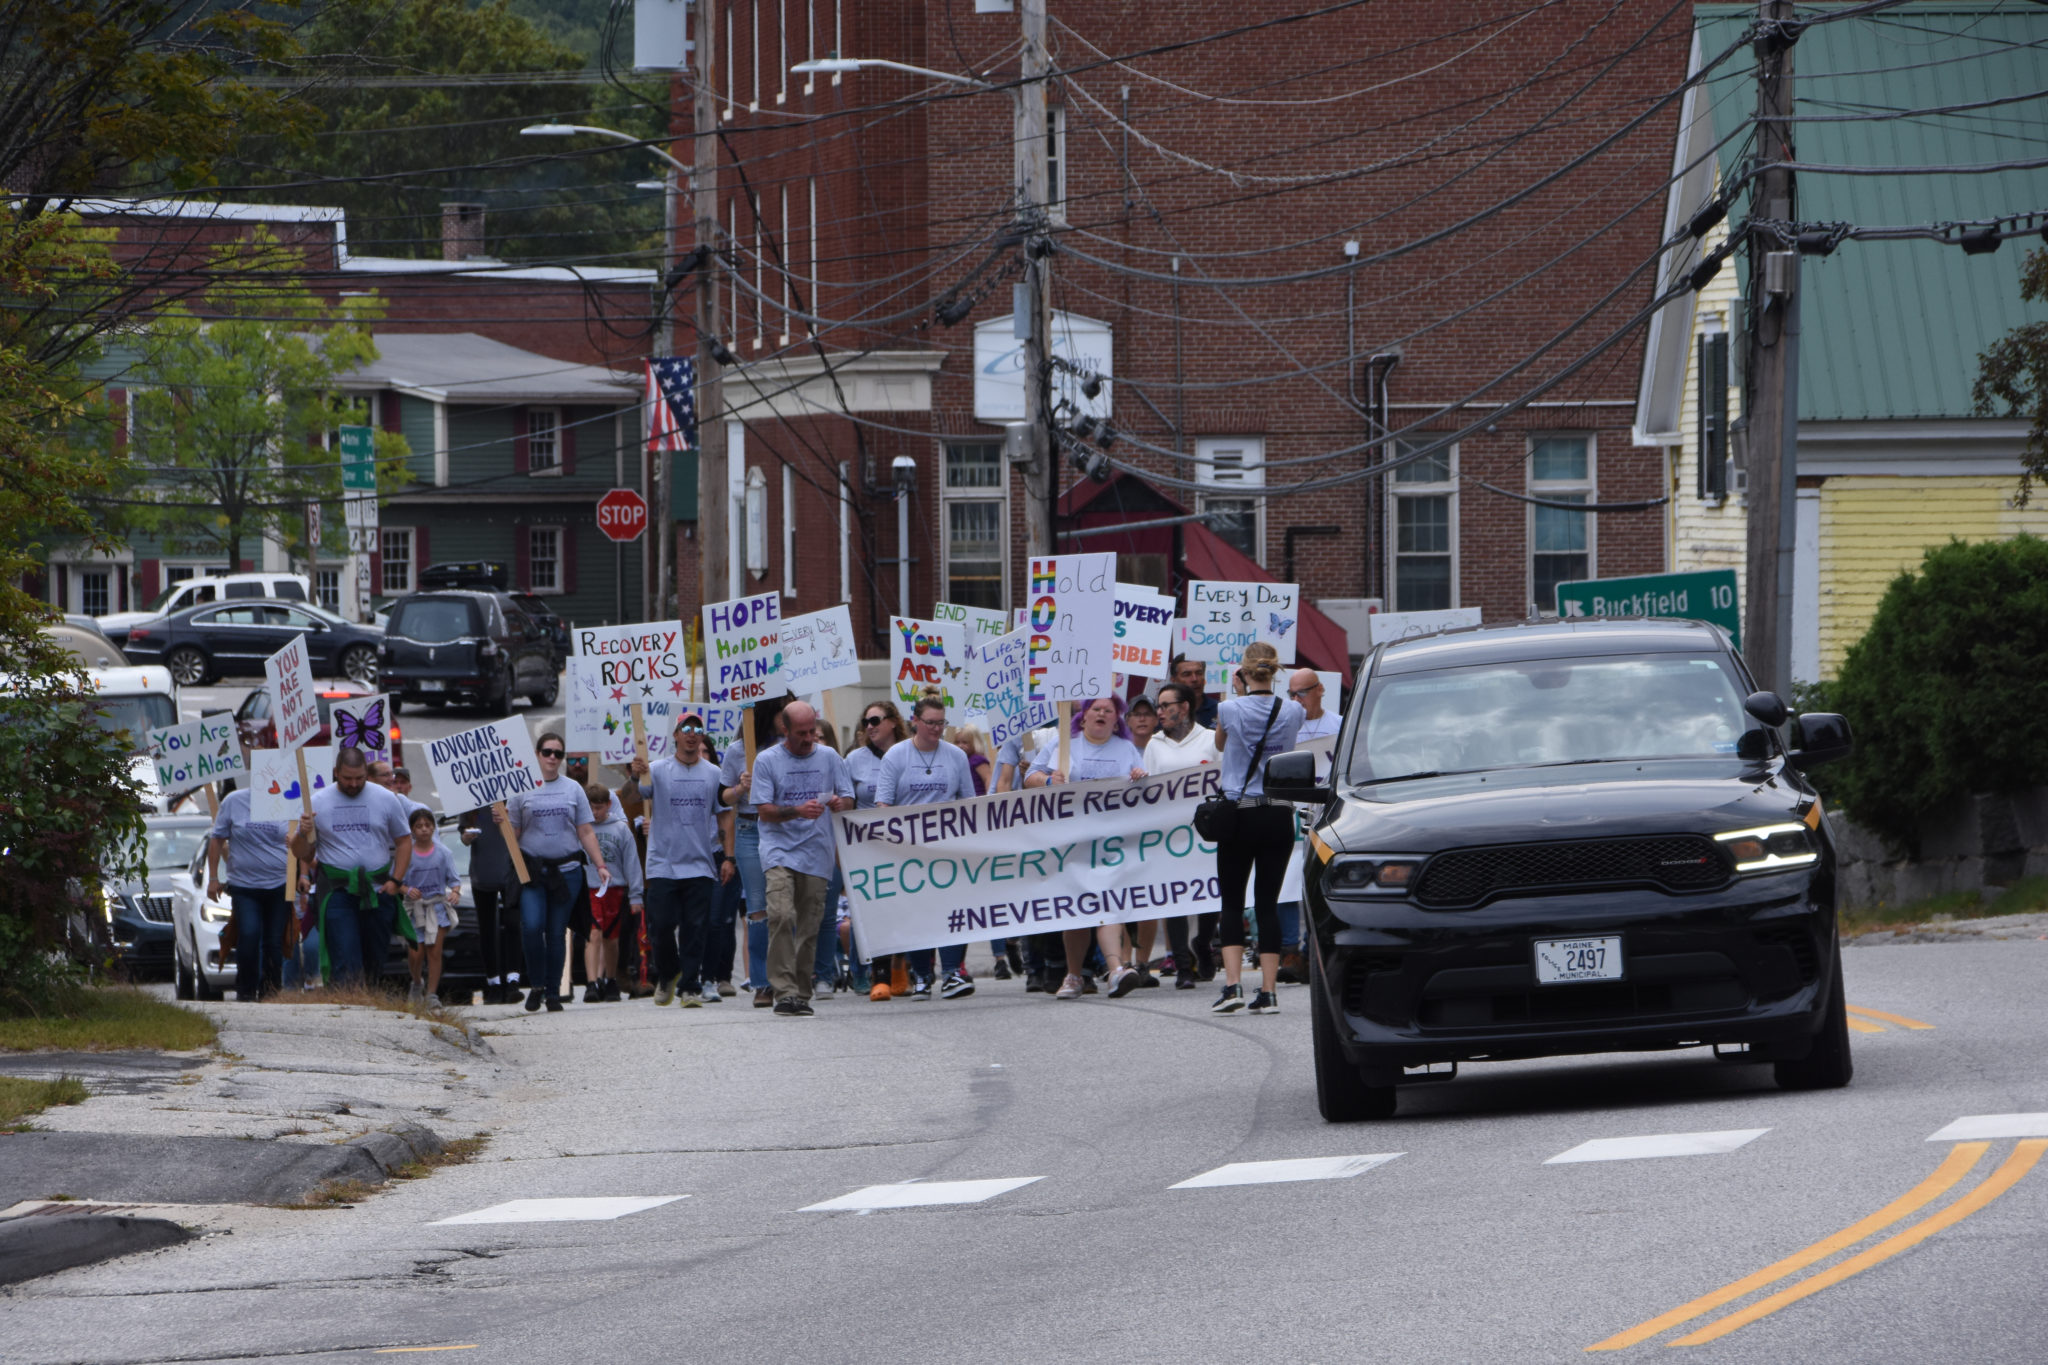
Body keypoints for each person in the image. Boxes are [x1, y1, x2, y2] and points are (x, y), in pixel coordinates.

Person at [1024, 696, 1148, 1000]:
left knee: (1106, 901)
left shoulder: (1125, 748)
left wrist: (1139, 778)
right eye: (1097, 709)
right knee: (1078, 908)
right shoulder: (1063, 744)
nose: (1103, 714)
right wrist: (1050, 781)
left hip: (1111, 841)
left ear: (1117, 719)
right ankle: (1075, 975)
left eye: (1110, 710)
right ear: (1083, 716)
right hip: (1071, 841)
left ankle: (1116, 969)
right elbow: (1029, 778)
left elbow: (1144, 785)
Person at [1208, 641, 1306, 1015]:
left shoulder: (1229, 708)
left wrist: (1237, 695)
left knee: (1232, 901)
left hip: (1240, 813)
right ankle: (1269, 991)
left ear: (1243, 673)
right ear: (1275, 672)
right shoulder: (1293, 710)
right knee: (1268, 903)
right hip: (1278, 813)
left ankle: (1232, 985)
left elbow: (1221, 743)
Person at [747, 700, 854, 1017]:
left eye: (812, 731)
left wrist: (839, 803)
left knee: (810, 925)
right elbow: (763, 811)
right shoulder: (767, 761)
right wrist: (797, 810)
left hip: (816, 852)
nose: (809, 738)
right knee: (780, 915)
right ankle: (784, 991)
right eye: (802, 733)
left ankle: (801, 993)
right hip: (779, 849)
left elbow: (848, 798)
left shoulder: (830, 757)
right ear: (785, 730)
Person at [877, 693, 979, 1000]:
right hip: (909, 849)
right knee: (915, 912)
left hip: (949, 847)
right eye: (931, 723)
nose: (937, 729)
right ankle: (921, 975)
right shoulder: (896, 756)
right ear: (915, 722)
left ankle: (951, 973)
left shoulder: (956, 756)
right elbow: (883, 804)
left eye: (941, 723)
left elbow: (968, 802)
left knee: (952, 908)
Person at [500, 731, 610, 1014]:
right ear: (537, 754)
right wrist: (501, 820)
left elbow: (585, 830)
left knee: (557, 930)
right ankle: (535, 985)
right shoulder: (520, 789)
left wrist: (600, 864)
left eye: (558, 754)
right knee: (532, 926)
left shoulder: (573, 788)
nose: (552, 758)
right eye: (547, 752)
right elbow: (513, 833)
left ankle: (552, 993)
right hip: (533, 872)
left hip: (567, 872)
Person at [632, 711, 735, 1007]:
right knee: (660, 926)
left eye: (697, 729)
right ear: (675, 735)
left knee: (695, 928)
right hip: (663, 862)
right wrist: (639, 771)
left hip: (700, 863)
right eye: (685, 728)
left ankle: (689, 986)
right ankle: (669, 973)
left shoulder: (714, 773)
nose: (692, 733)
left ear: (702, 736)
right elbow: (644, 789)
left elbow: (725, 815)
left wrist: (728, 857)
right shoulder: (658, 769)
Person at [290, 747, 413, 987]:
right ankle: (348, 1005)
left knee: (374, 955)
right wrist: (303, 833)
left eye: (360, 778)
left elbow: (404, 840)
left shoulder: (386, 799)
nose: (354, 784)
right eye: (347, 779)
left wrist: (396, 880)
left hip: (377, 889)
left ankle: (370, 1004)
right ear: (336, 773)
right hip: (338, 890)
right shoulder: (317, 802)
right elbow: (301, 852)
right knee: (345, 955)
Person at [1143, 681, 1221, 989]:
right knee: (1174, 898)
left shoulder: (1210, 739)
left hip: (1205, 834)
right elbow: (1147, 790)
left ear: (1184, 707)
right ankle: (1183, 966)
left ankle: (1202, 942)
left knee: (1209, 895)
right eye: (1158, 706)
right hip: (1170, 836)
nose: (1159, 712)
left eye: (1165, 706)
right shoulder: (1154, 744)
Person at [721, 697, 789, 1007]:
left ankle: (788, 976)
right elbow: (722, 797)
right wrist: (739, 788)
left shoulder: (789, 748)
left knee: (785, 906)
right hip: (750, 830)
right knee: (758, 909)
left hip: (784, 829)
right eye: (782, 712)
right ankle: (762, 983)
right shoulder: (738, 750)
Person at [206, 783, 291, 1001]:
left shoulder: (290, 798)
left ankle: (271, 991)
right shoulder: (234, 801)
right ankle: (246, 990)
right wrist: (213, 878)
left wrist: (301, 875)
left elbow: (303, 846)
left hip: (279, 885)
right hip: (244, 886)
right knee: (249, 933)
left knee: (273, 941)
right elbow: (217, 839)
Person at [846, 701, 908, 1001]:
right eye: (865, 721)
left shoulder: (911, 752)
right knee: (876, 908)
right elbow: (847, 802)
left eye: (875, 720)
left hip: (908, 843)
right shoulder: (854, 760)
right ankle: (879, 974)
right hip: (867, 845)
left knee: (905, 907)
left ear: (894, 722)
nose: (869, 726)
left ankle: (903, 966)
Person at [580, 782, 645, 1003]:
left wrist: (636, 894)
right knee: (593, 934)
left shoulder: (620, 829)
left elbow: (632, 862)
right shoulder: (581, 829)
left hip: (615, 889)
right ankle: (591, 983)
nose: (595, 813)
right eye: (590, 808)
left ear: (608, 805)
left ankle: (610, 979)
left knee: (611, 937)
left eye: (599, 808)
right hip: (590, 888)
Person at [460, 803, 522, 1004]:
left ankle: (513, 980)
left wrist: (508, 819)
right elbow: (464, 834)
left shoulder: (512, 797)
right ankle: (493, 983)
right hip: (482, 873)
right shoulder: (469, 800)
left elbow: (524, 828)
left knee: (514, 924)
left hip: (511, 871)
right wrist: (467, 837)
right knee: (487, 929)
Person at [400, 808, 461, 1007]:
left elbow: (454, 879)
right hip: (415, 909)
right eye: (419, 826)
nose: (424, 830)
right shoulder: (406, 853)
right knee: (415, 953)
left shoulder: (443, 853)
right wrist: (408, 890)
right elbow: (396, 881)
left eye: (427, 825)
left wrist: (454, 892)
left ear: (433, 828)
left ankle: (432, 994)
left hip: (436, 907)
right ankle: (417, 981)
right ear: (412, 830)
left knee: (434, 951)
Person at [1289, 669, 1342, 743]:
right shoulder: (1285, 727)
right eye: (1292, 694)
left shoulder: (1340, 724)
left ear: (1319, 690)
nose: (1296, 699)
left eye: (1302, 692)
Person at [1172, 654, 1219, 729]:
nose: (1194, 679)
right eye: (1187, 674)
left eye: (1199, 673)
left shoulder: (1219, 710)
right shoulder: (1164, 713)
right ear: (1174, 680)